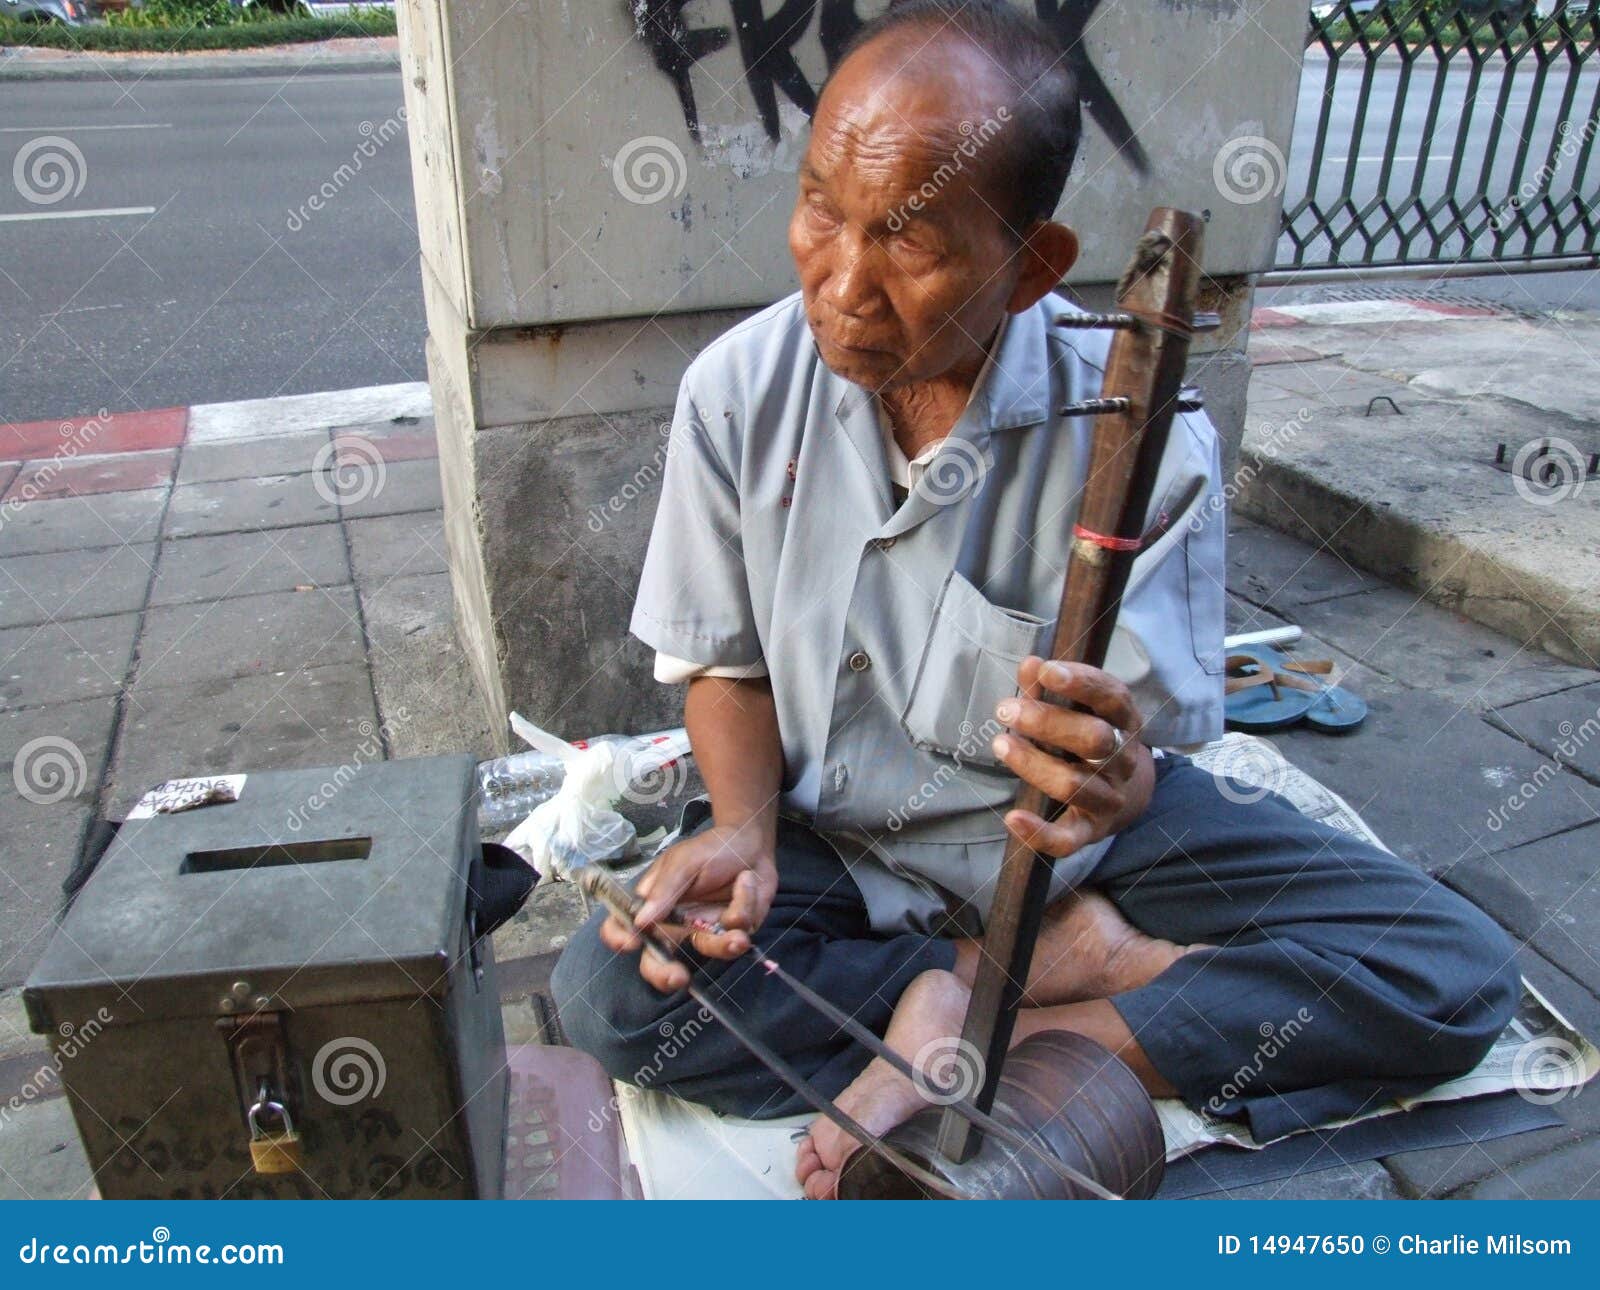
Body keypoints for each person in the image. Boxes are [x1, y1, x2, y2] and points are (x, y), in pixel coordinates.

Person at [552, 0, 1519, 1199]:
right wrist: (743, 826)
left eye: (908, 242)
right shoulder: (737, 392)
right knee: (609, 994)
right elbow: (727, 665)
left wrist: (1120, 778)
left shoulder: (1141, 441)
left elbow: (1131, 758)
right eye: (819, 210)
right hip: (833, 840)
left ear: (1032, 265)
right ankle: (996, 984)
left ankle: (1023, 1024)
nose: (840, 284)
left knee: (1446, 968)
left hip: (1064, 853)